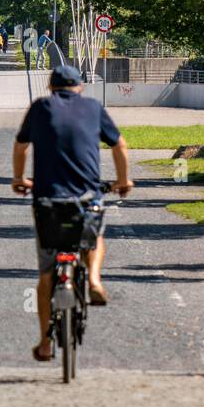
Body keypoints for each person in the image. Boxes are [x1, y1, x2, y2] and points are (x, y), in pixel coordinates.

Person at [11, 63, 133, 363]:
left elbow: (21, 146)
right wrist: (123, 181)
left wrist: (18, 178)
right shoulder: (92, 107)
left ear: (51, 87)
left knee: (46, 274)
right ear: (80, 86)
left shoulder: (40, 108)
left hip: (47, 201)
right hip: (87, 199)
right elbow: (119, 145)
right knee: (95, 237)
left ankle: (43, 343)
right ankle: (93, 280)